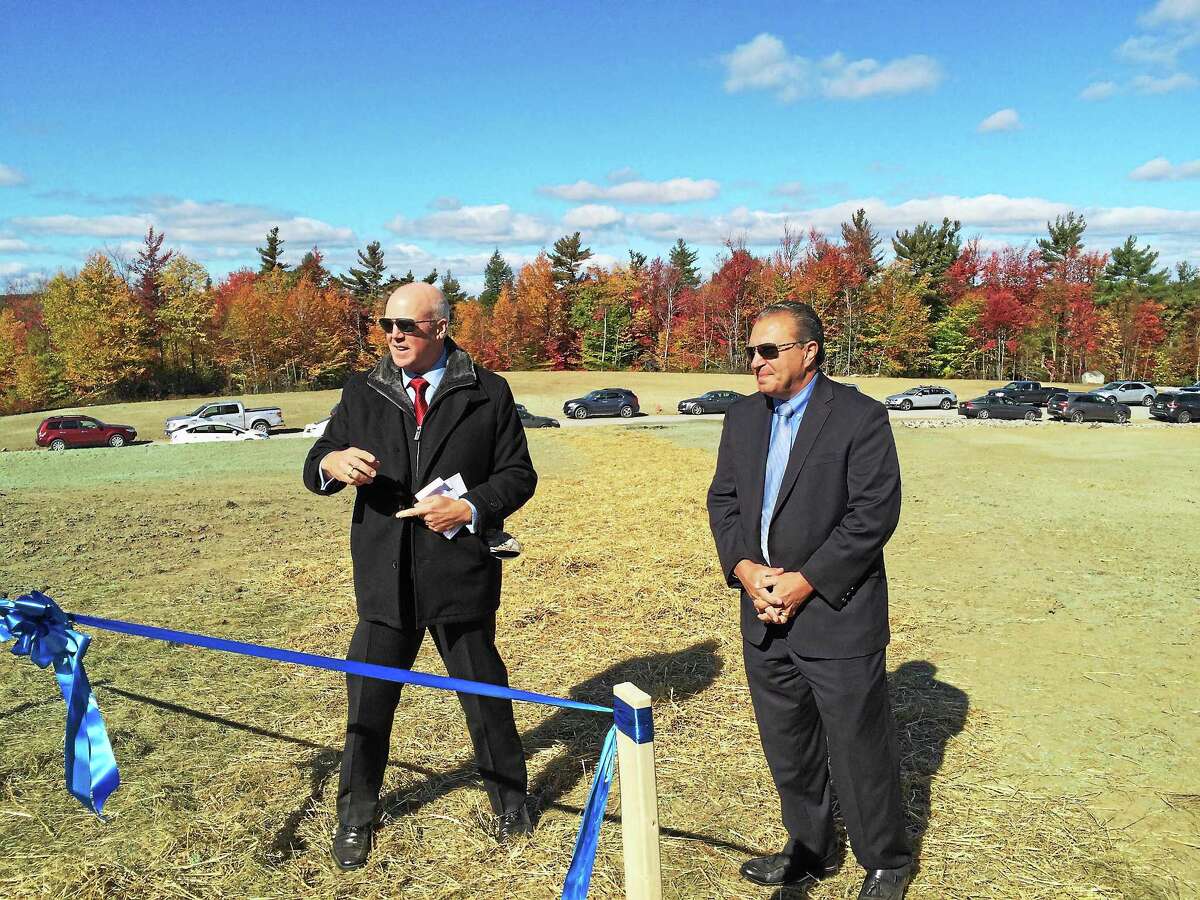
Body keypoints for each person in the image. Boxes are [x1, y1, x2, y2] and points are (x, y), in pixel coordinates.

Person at [303, 282, 537, 870]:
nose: (394, 335)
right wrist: (333, 462)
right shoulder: (363, 390)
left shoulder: (488, 391)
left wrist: (473, 507)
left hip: (459, 573)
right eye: (386, 325)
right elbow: (317, 461)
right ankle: (355, 816)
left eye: (407, 326)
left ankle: (510, 802)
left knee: (485, 696)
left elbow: (518, 475)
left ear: (441, 327)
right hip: (384, 581)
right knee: (368, 704)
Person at [707, 301, 913, 899]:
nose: (756, 362)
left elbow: (873, 515)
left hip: (836, 616)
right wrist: (744, 568)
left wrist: (805, 582)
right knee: (788, 743)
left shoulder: (858, 417)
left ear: (809, 351)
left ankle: (886, 861)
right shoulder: (742, 418)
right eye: (750, 351)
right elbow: (723, 501)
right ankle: (810, 849)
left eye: (769, 351)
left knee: (857, 746)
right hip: (762, 612)